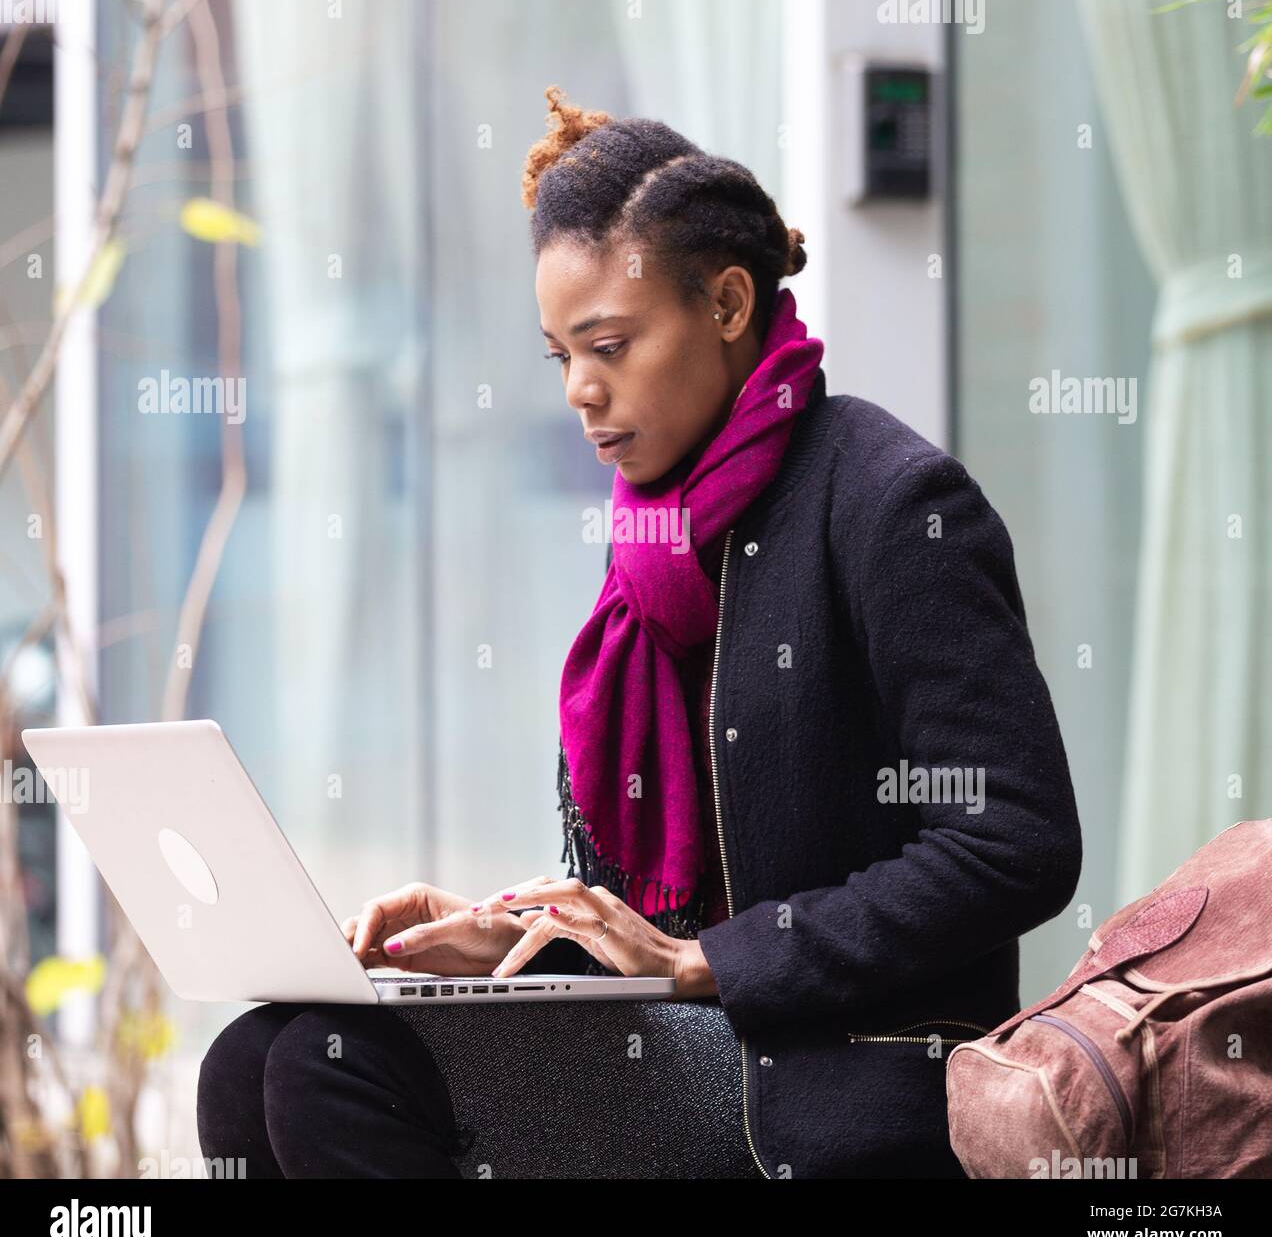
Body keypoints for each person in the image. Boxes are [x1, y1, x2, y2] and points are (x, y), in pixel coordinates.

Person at [197, 85, 1082, 1179]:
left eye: (609, 343)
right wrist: (519, 938)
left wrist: (723, 958)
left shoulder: (892, 505)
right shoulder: (658, 541)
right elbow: (654, 911)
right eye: (559, 354)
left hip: (834, 1066)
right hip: (694, 1032)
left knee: (330, 1065)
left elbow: (1019, 840)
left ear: (725, 302)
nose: (580, 389)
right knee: (251, 1056)